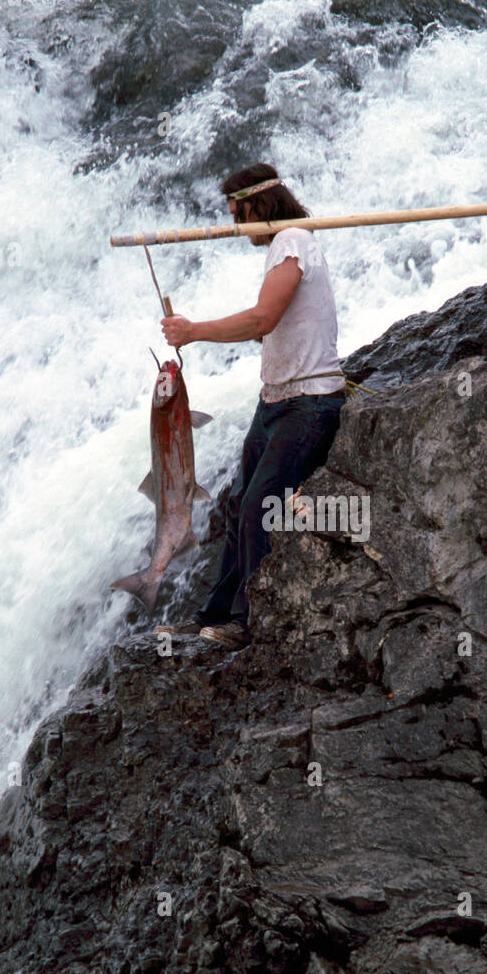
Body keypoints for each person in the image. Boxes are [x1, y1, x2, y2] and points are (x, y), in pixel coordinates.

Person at [161, 163, 345, 649]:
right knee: (239, 504)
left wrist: (194, 331)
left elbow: (264, 319)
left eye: (237, 214)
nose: (236, 225)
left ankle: (247, 622)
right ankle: (214, 614)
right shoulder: (290, 242)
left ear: (256, 204)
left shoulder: (293, 241)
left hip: (309, 402)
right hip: (277, 401)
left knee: (259, 505)